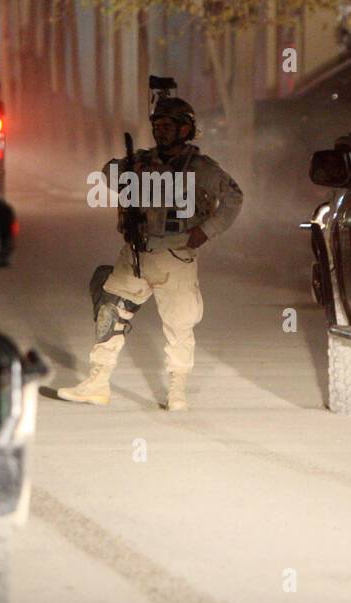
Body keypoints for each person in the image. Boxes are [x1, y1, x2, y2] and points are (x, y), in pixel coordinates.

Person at [57, 95, 243, 411]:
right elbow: (108, 173)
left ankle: (177, 391)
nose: (161, 131)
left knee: (179, 326)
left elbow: (233, 198)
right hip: (138, 252)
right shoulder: (143, 161)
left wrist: (205, 231)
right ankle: (98, 383)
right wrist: (133, 167)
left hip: (176, 254)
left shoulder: (200, 168)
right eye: (158, 125)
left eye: (168, 125)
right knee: (111, 311)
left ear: (186, 129)